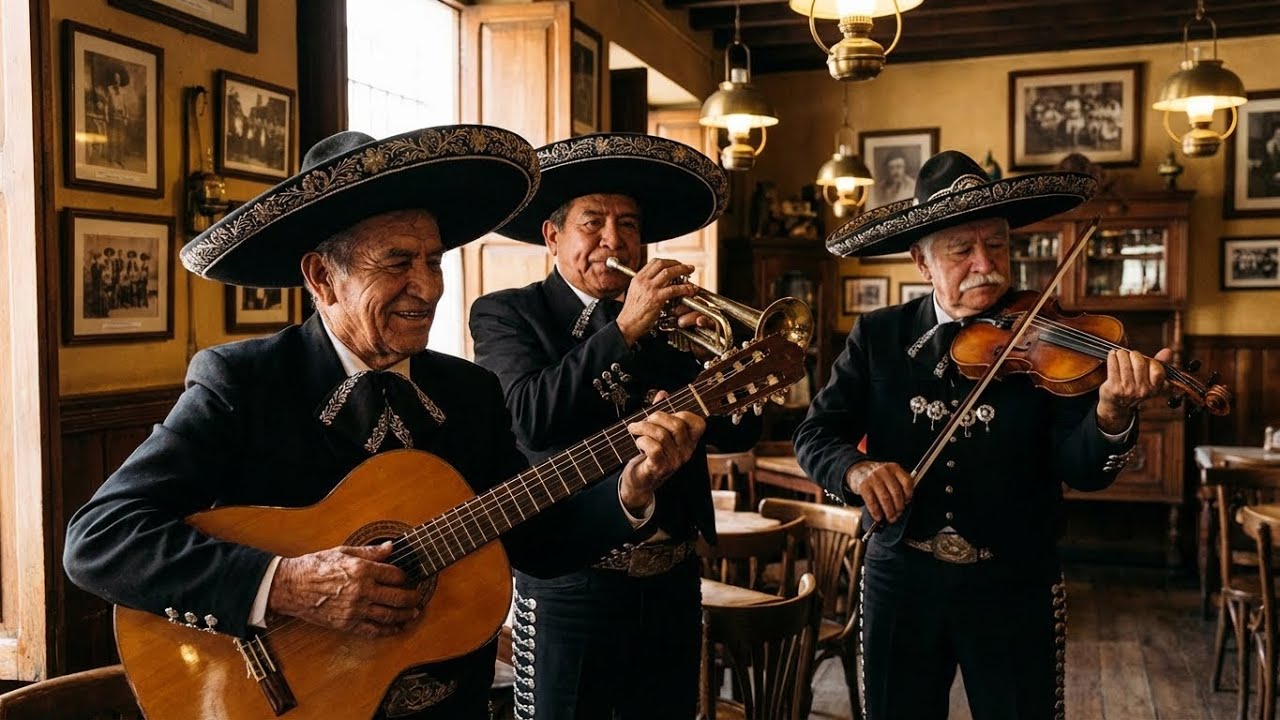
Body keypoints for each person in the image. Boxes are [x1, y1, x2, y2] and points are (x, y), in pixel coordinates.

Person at [63, 125, 706, 720]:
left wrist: (630, 489)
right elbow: (99, 539)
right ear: (322, 277)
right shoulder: (247, 382)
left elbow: (536, 538)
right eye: (397, 263)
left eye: (433, 262)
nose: (426, 288)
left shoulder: (468, 392)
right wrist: (285, 584)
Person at [798, 150, 1172, 720]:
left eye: (996, 244)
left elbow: (1082, 471)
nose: (986, 264)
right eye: (962, 249)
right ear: (922, 263)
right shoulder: (879, 336)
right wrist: (856, 469)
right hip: (903, 578)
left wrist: (1112, 415)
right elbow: (816, 434)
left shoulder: (1052, 338)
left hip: (1013, 581)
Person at [469, 133, 761, 720]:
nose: (613, 239)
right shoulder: (507, 312)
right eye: (593, 222)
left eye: (628, 224)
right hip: (571, 583)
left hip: (673, 579)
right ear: (553, 237)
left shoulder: (671, 323)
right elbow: (529, 416)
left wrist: (740, 376)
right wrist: (623, 330)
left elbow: (733, 437)